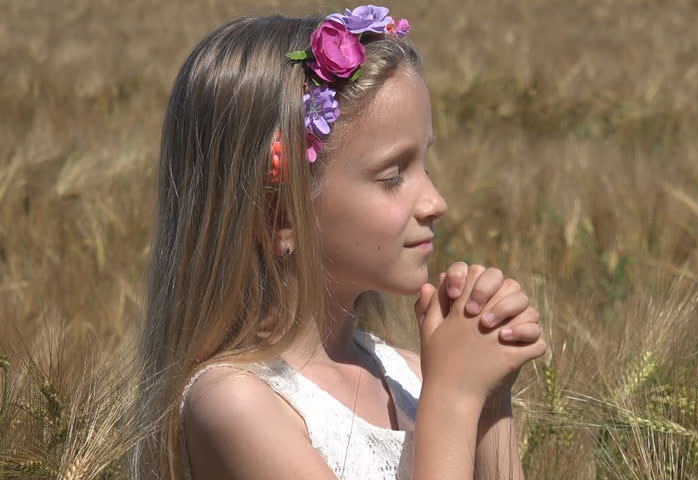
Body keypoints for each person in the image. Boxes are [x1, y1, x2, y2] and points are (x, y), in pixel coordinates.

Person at [132, 7, 547, 480]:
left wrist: (490, 392)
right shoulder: (235, 404)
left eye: (424, 166)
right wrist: (455, 399)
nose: (435, 202)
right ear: (281, 215)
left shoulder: (414, 375)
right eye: (392, 176)